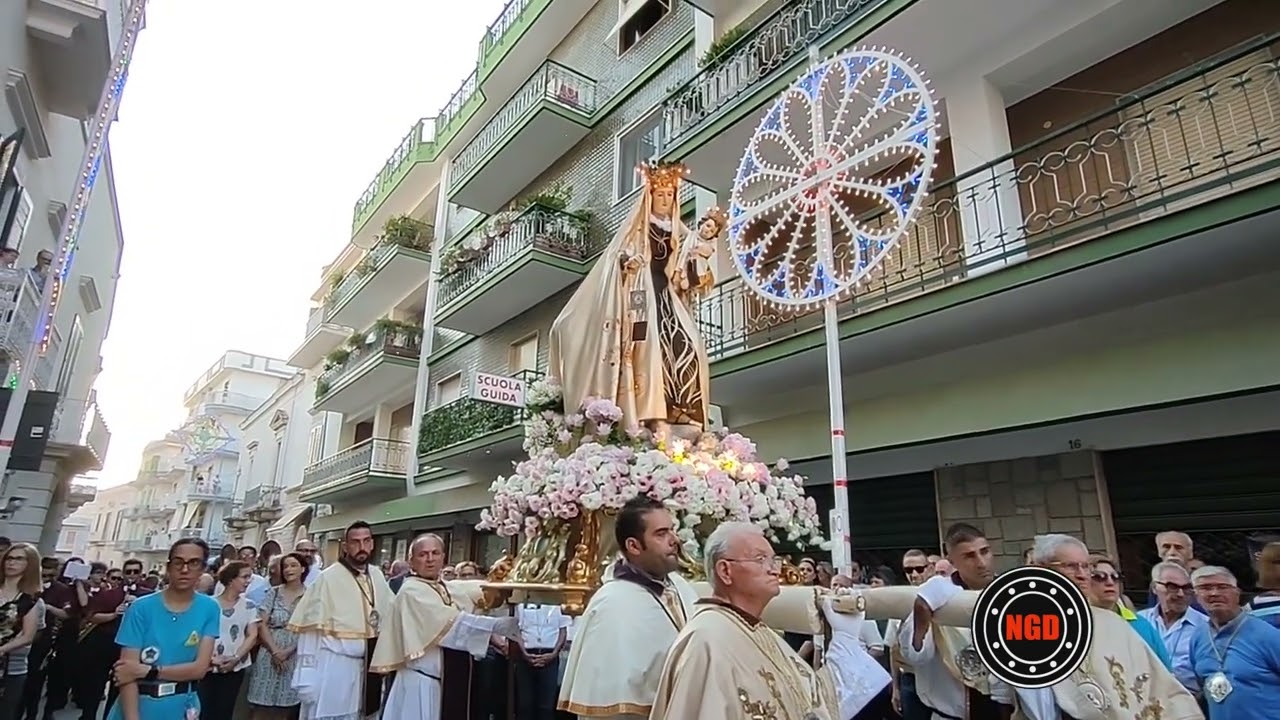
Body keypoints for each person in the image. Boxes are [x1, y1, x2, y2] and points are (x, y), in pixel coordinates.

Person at [558, 495, 827, 718]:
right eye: (662, 534)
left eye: (673, 530)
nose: (675, 539)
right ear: (633, 545)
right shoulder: (613, 604)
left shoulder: (678, 586)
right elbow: (610, 703)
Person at [547, 160, 716, 441]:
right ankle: (652, 413)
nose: (664, 200)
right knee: (646, 346)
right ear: (649, 197)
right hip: (641, 297)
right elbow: (617, 256)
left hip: (669, 298)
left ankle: (682, 409)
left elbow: (692, 274)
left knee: (690, 345)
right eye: (659, 195)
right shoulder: (636, 229)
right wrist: (628, 262)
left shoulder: (682, 234)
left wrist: (699, 260)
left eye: (669, 195)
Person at [648, 522, 887, 719]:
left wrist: (845, 639)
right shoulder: (707, 639)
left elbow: (814, 699)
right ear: (725, 571)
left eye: (774, 560)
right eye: (761, 559)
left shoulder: (759, 631)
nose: (775, 570)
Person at [371, 535, 513, 720]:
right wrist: (496, 626)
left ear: (443, 557)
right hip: (420, 684)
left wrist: (504, 581)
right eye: (423, 554)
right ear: (411, 561)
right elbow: (452, 625)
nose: (430, 559)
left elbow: (481, 592)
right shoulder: (411, 591)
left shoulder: (447, 587)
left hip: (447, 682)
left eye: (435, 553)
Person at [898, 523, 1012, 720]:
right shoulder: (936, 594)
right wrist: (922, 612)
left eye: (984, 552)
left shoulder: (1011, 591)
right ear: (951, 560)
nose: (981, 563)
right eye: (969, 556)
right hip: (953, 713)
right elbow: (916, 656)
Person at [107, 537, 221, 720]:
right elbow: (126, 673)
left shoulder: (210, 608)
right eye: (178, 562)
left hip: (182, 705)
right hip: (139, 705)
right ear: (168, 567)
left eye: (193, 563)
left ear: (203, 569)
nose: (184, 569)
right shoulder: (140, 608)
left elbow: (199, 668)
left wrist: (148, 671)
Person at [288, 521, 391, 720]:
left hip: (369, 668)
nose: (361, 547)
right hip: (334, 667)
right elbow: (311, 630)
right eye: (355, 542)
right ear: (345, 546)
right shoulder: (327, 579)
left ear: (372, 544)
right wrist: (306, 677)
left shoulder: (377, 575)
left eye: (366, 541)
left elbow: (392, 614)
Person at [1188, 565, 1280, 720]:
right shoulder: (1198, 637)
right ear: (1195, 596)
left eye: (1223, 587)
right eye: (1205, 588)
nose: (1214, 593)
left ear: (1237, 593)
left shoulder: (1268, 635)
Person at [247, 552, 307, 719]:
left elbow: (309, 628)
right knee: (260, 706)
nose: (288, 569)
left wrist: (288, 651)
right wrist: (275, 651)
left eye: (293, 565)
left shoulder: (310, 596)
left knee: (285, 707)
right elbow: (262, 622)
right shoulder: (273, 593)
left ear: (303, 568)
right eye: (285, 566)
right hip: (269, 651)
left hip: (294, 653)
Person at [1088, 554, 1173, 669]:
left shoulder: (1139, 624)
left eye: (1115, 577)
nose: (1110, 582)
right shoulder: (1077, 625)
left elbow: (1166, 670)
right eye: (1099, 577)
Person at [199, 560, 260, 718]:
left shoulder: (249, 606)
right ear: (231, 579)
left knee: (224, 710)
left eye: (250, 577)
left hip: (234, 667)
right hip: (206, 666)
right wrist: (210, 659)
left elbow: (252, 634)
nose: (248, 582)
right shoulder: (208, 604)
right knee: (202, 710)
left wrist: (235, 658)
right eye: (245, 577)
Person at [0, 543, 41, 720]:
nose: (11, 563)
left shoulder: (31, 600)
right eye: (9, 558)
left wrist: (2, 649)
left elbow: (28, 636)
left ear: (29, 564)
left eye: (19, 559)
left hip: (10, 668)